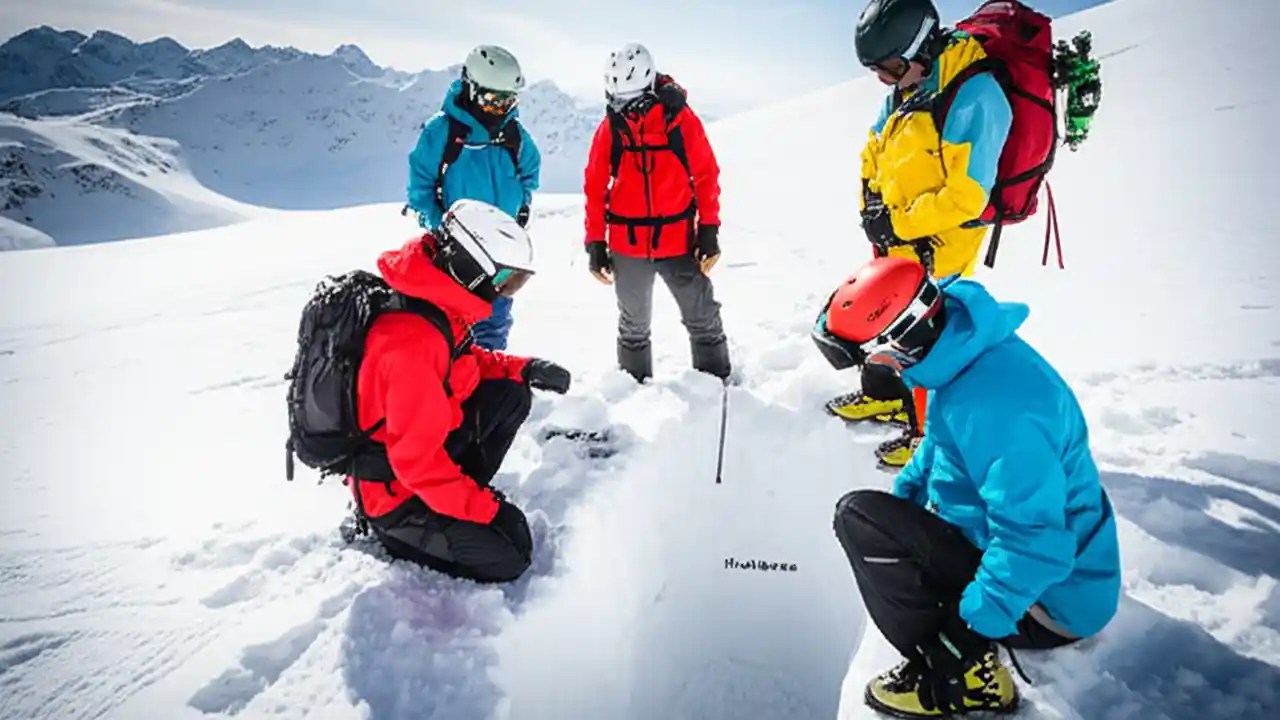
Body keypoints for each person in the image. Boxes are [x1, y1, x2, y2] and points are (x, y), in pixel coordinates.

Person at [812, 256, 1120, 717]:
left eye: (867, 360)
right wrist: (903, 516)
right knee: (874, 521)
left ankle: (972, 678)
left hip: (1052, 602)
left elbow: (1036, 546)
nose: (871, 373)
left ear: (896, 343)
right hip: (1040, 563)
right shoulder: (958, 356)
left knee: (856, 518)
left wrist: (963, 637)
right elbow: (940, 446)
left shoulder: (1000, 408)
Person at [825, 0, 1015, 469]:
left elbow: (966, 196)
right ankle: (892, 398)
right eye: (877, 70)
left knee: (931, 342)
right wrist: (872, 203)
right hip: (900, 241)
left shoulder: (974, 95)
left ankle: (931, 440)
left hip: (942, 245)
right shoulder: (905, 89)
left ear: (920, 47)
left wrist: (900, 222)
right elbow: (874, 149)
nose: (883, 81)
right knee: (887, 327)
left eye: (889, 67)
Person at [352, 199, 570, 583]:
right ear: (471, 269)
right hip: (396, 495)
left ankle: (456, 497)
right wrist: (486, 510)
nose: (505, 292)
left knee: (509, 392)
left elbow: (464, 359)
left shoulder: (433, 303)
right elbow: (416, 463)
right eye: (504, 280)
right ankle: (408, 527)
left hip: (417, 455)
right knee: (512, 555)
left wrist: (524, 368)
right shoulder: (412, 344)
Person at [582, 42, 730, 383]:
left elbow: (706, 174)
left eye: (630, 100)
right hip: (627, 243)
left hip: (678, 240)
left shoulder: (679, 120)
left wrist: (709, 229)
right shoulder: (611, 127)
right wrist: (594, 242)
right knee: (633, 327)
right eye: (617, 99)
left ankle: (716, 381)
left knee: (702, 315)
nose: (623, 107)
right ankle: (633, 393)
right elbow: (594, 185)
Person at [406, 44, 541, 352]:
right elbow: (420, 189)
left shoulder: (514, 134)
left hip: (501, 253)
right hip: (456, 252)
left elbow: (530, 173)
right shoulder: (442, 132)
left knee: (494, 323)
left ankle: (489, 390)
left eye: (509, 101)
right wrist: (440, 227)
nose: (502, 110)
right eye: (494, 101)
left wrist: (520, 210)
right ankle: (452, 388)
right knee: (450, 326)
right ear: (472, 89)